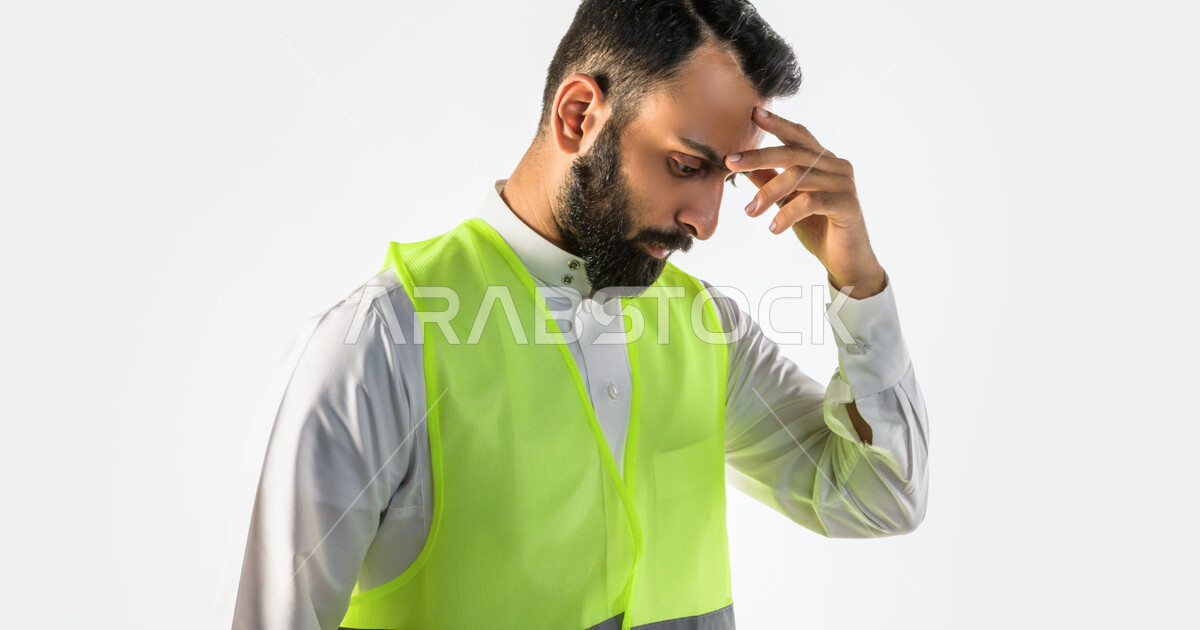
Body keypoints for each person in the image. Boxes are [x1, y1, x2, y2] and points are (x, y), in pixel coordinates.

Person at [232, 1, 929, 628]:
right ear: (578, 116)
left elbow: (882, 497)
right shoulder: (381, 346)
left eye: (728, 179)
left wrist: (857, 279)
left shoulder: (707, 330)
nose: (707, 222)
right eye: (688, 165)